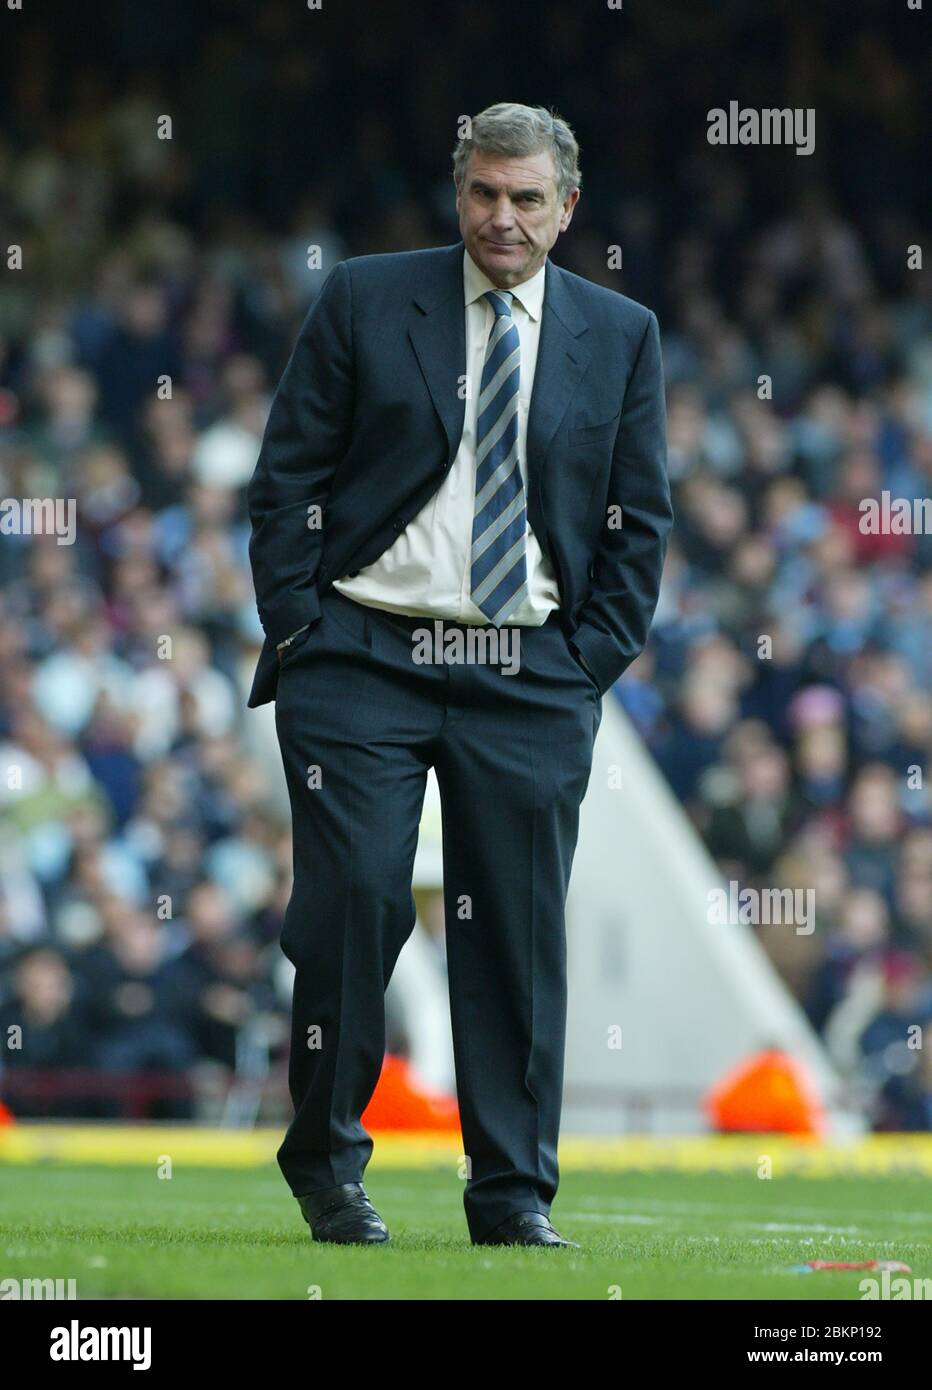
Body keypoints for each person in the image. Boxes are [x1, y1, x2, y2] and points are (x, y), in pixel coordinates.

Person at [246, 102, 672, 1246]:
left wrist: (584, 666)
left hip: (529, 670)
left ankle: (510, 1197)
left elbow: (639, 525)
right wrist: (298, 629)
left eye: (526, 197)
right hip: (362, 655)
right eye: (484, 192)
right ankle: (328, 1166)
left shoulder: (620, 332)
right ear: (458, 192)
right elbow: (285, 479)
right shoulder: (365, 297)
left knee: (515, 935)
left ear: (565, 207)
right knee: (356, 900)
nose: (502, 216)